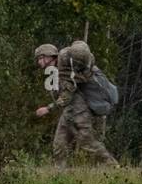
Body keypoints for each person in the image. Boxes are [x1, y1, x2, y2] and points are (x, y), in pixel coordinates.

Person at [34, 40, 118, 169]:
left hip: (79, 111)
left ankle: (112, 166)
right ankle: (59, 174)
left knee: (87, 142)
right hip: (70, 112)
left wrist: (48, 108)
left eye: (41, 58)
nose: (39, 62)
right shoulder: (57, 71)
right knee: (59, 144)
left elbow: (67, 96)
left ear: (50, 56)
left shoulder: (64, 70)